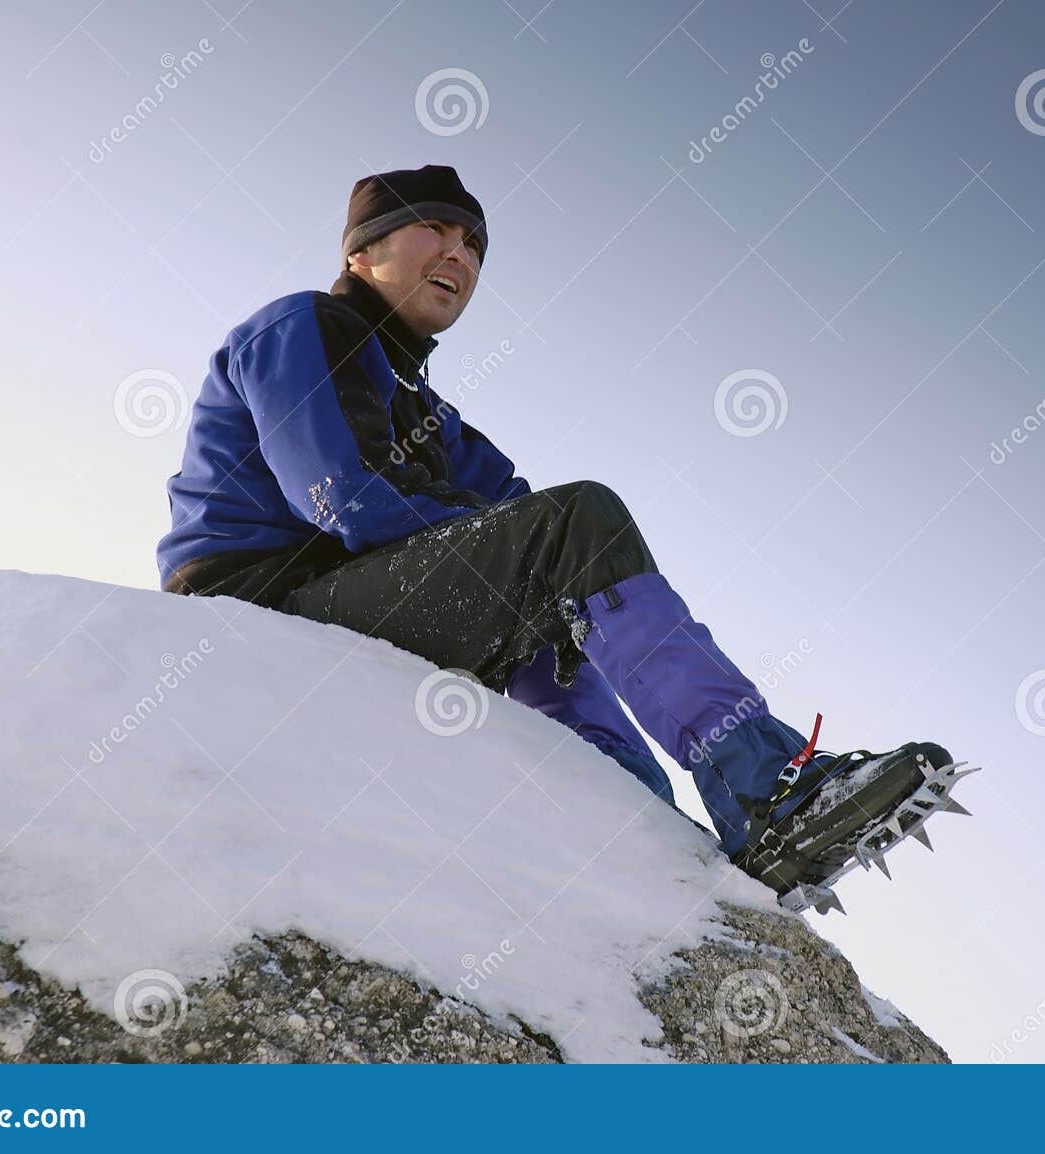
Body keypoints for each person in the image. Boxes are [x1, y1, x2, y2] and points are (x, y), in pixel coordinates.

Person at [156, 164, 976, 914]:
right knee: (574, 532)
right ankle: (766, 786)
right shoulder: (303, 327)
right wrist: (534, 561)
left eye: (475, 243)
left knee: (569, 588)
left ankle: (655, 843)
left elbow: (519, 516)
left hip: (353, 598)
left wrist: (547, 583)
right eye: (435, 230)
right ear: (365, 250)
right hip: (259, 603)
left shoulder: (432, 416)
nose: (461, 254)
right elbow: (343, 494)